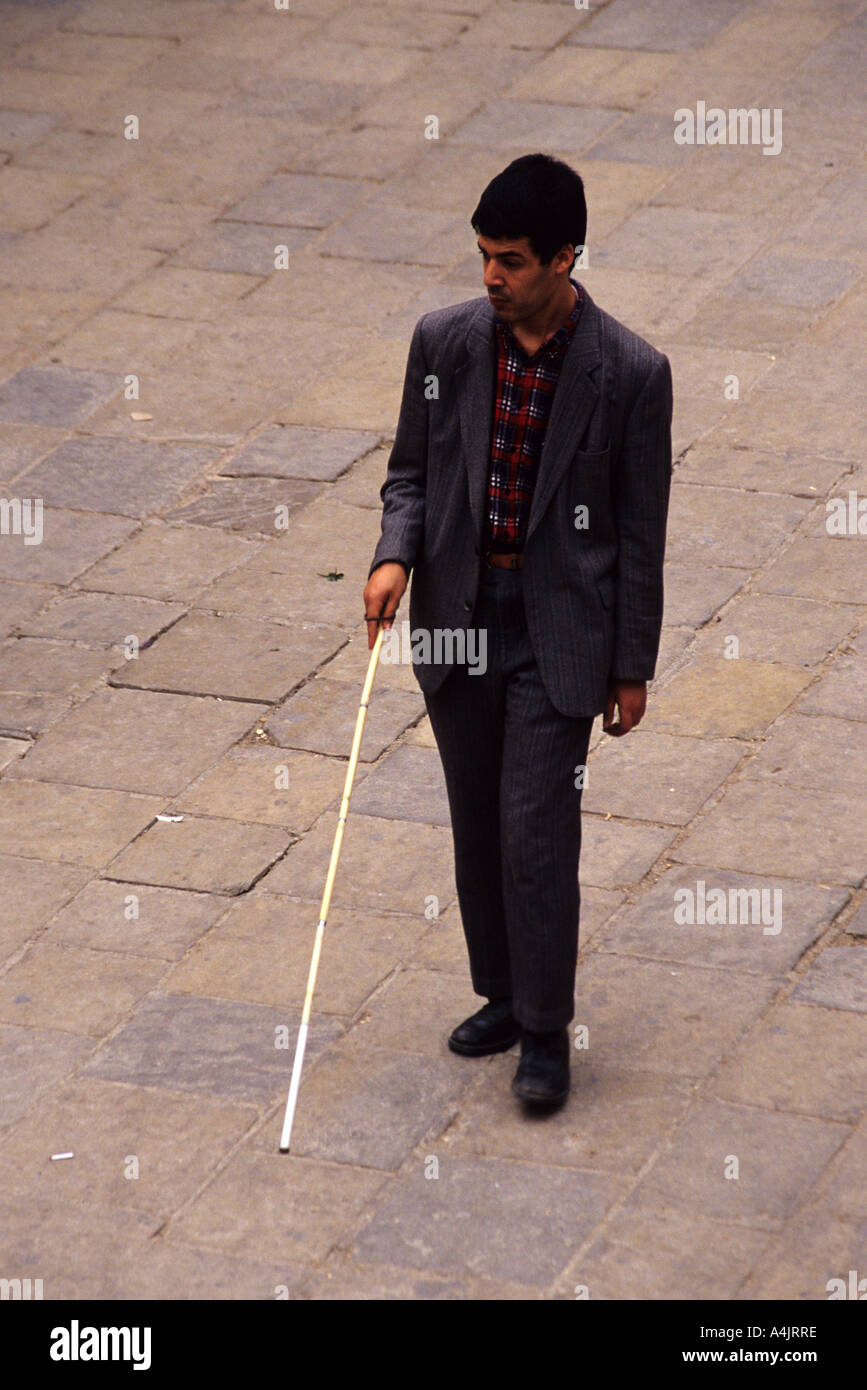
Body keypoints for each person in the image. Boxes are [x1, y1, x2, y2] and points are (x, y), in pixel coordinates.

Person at [363, 153, 673, 1110]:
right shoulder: (444, 344)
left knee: (535, 829)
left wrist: (631, 666)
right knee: (478, 822)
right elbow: (410, 474)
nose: (491, 277)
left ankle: (544, 1031)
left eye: (511, 260)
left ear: (563, 258)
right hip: (458, 620)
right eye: (483, 257)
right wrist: (392, 557)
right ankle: (500, 992)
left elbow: (638, 534)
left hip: (557, 635)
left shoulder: (630, 374)